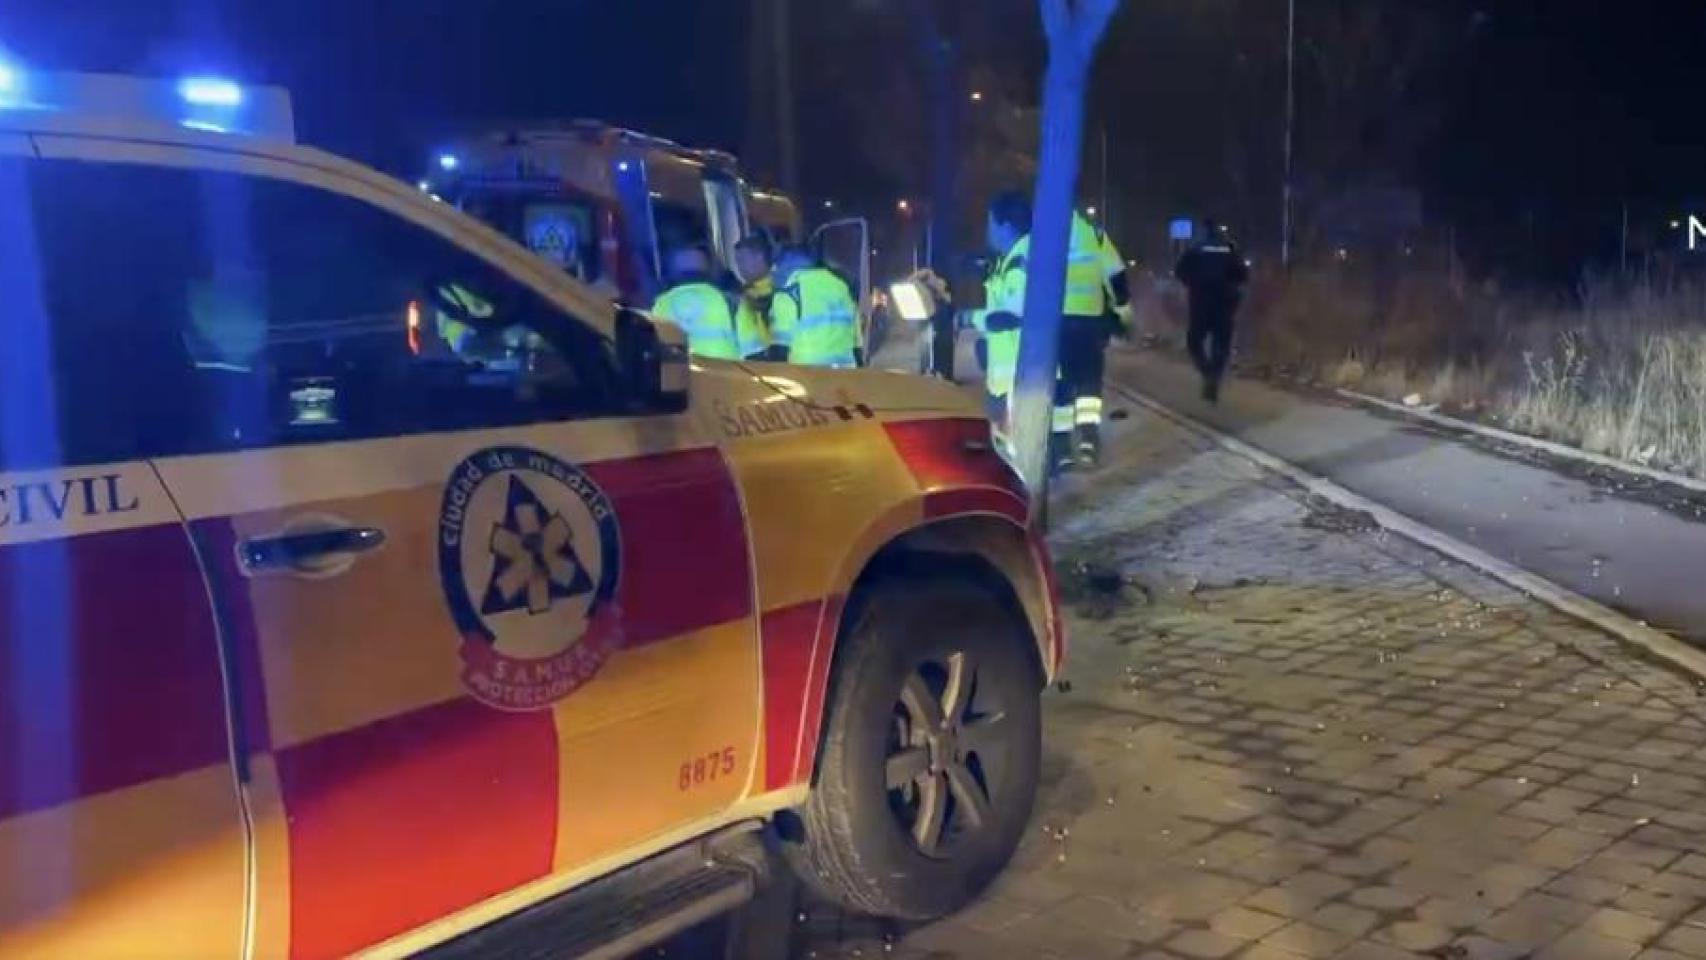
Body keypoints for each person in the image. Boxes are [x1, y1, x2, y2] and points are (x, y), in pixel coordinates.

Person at [1173, 218, 1249, 403]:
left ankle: (1207, 372)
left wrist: (1193, 284)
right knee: (1221, 345)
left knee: (1194, 342)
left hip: (1201, 302)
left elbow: (1180, 271)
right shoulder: (1230, 248)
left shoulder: (1196, 248)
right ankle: (1214, 376)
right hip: (1225, 303)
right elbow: (1243, 275)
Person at [769, 246, 860, 367]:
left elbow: (780, 348)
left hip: (807, 375)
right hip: (845, 373)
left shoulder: (789, 292)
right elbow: (857, 339)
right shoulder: (841, 286)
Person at [651, 245, 744, 360]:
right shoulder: (725, 300)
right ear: (706, 269)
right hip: (727, 372)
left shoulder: (661, 303)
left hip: (682, 374)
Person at [732, 235, 775, 360]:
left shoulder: (777, 289)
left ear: (759, 257)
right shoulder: (746, 293)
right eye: (737, 262)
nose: (739, 267)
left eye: (742, 260)